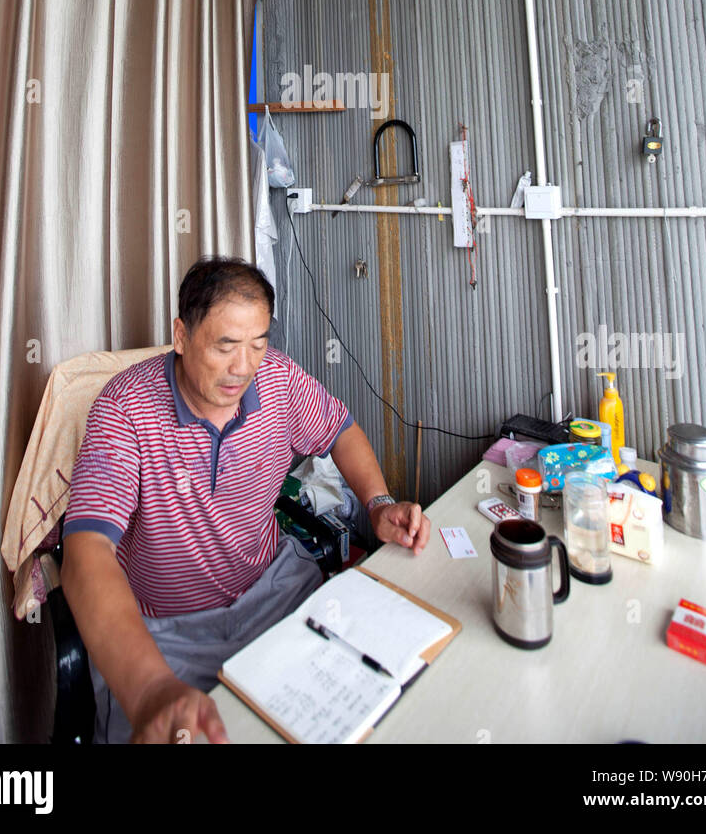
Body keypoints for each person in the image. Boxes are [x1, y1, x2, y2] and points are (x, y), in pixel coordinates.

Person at [61, 256, 431, 744]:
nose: (243, 369)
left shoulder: (277, 379)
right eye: (225, 346)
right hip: (165, 632)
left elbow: (341, 430)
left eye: (257, 344)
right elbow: (85, 551)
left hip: (274, 594)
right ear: (181, 335)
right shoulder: (125, 407)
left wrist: (379, 504)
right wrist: (149, 686)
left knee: (369, 704)